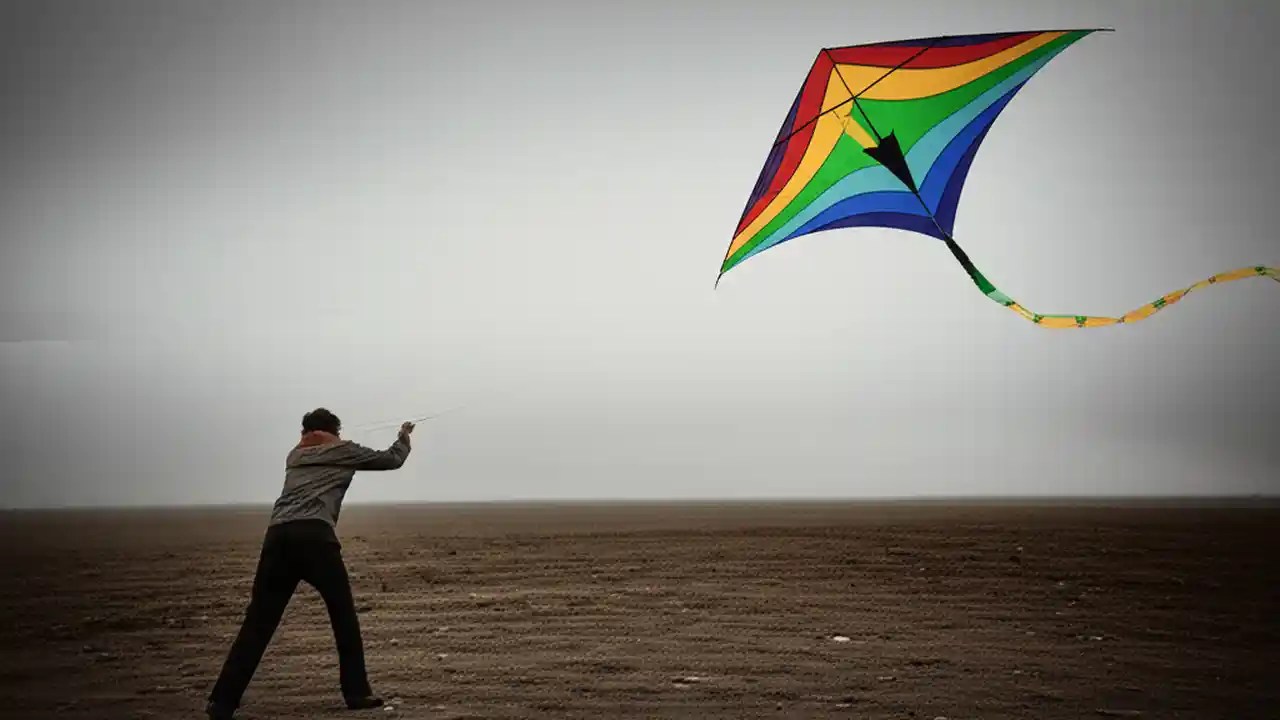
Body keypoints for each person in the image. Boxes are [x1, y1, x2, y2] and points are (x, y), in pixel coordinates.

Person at [206, 408, 415, 719]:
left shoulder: (294, 455)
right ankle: (356, 692)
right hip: (315, 536)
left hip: (277, 536)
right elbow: (391, 460)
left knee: (257, 623)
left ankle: (222, 702)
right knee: (343, 615)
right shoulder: (342, 449)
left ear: (305, 431)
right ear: (334, 430)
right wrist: (403, 438)